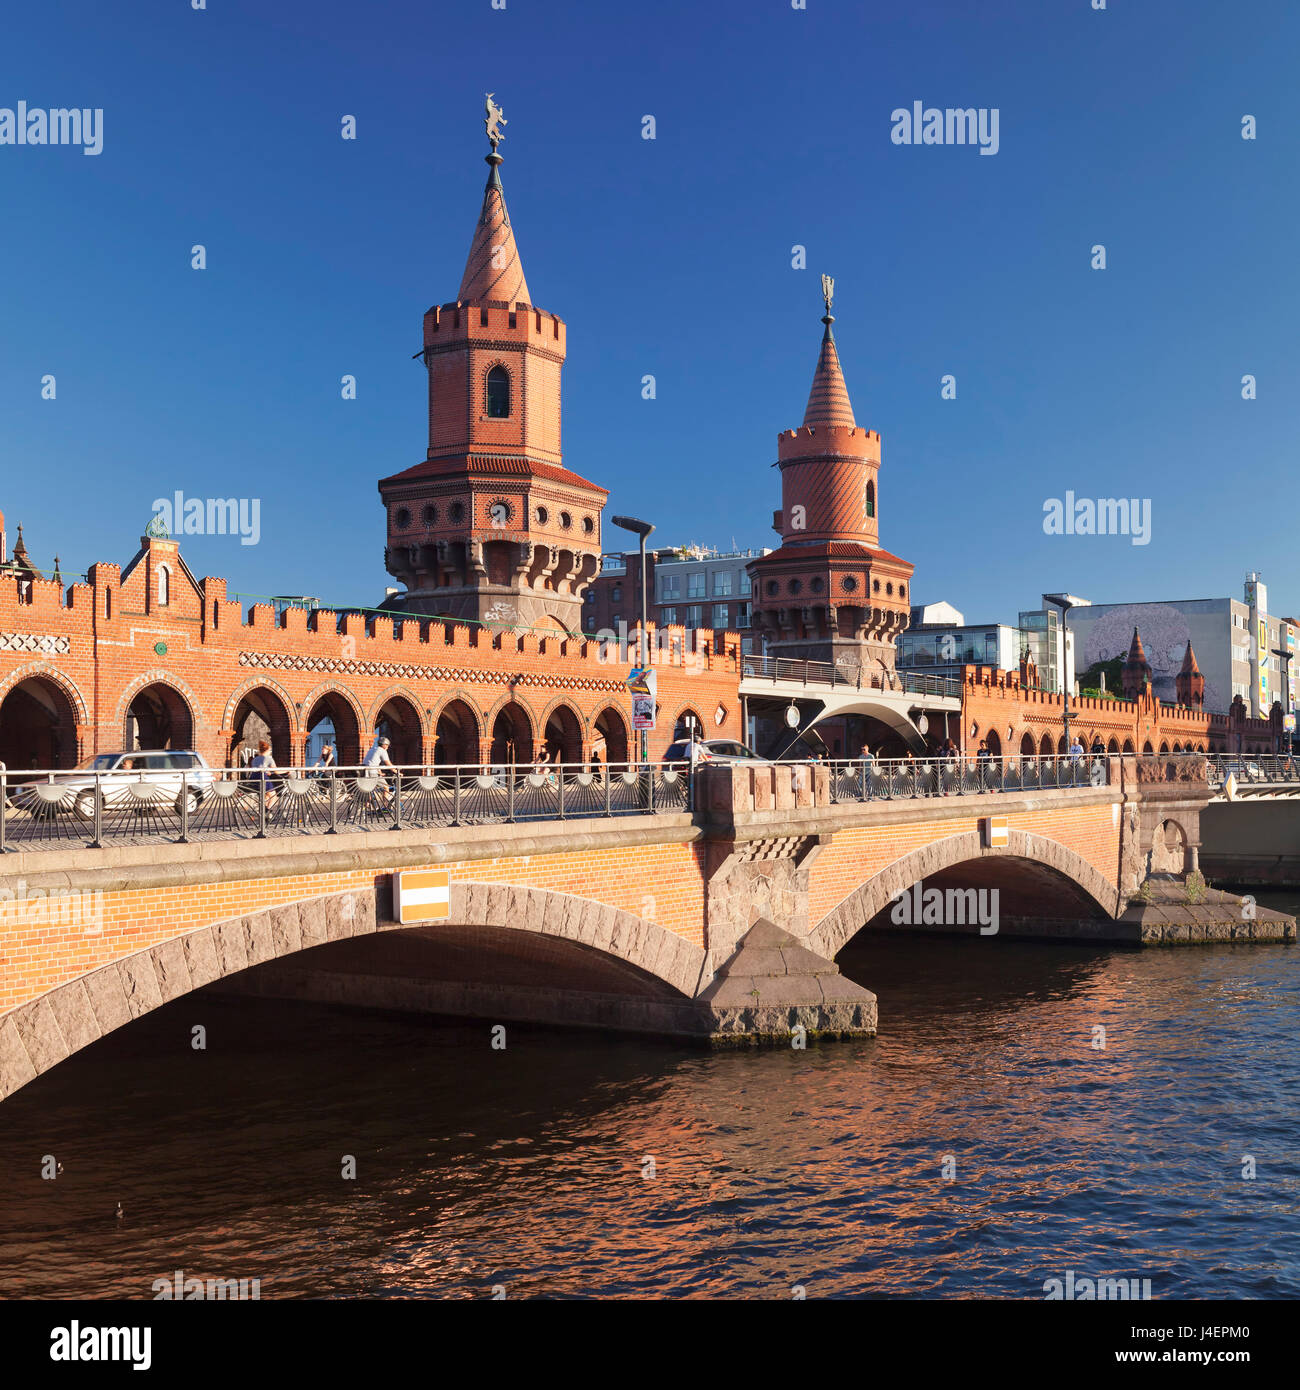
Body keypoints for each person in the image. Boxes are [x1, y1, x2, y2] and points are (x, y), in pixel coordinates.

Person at [248, 739, 277, 809]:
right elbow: (276, 771)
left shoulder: (255, 759)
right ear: (267, 750)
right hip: (263, 778)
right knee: (274, 796)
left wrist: (267, 771)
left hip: (254, 778)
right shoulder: (269, 758)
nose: (270, 752)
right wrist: (288, 770)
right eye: (270, 751)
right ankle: (267, 812)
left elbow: (257, 767)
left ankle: (264, 815)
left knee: (267, 797)